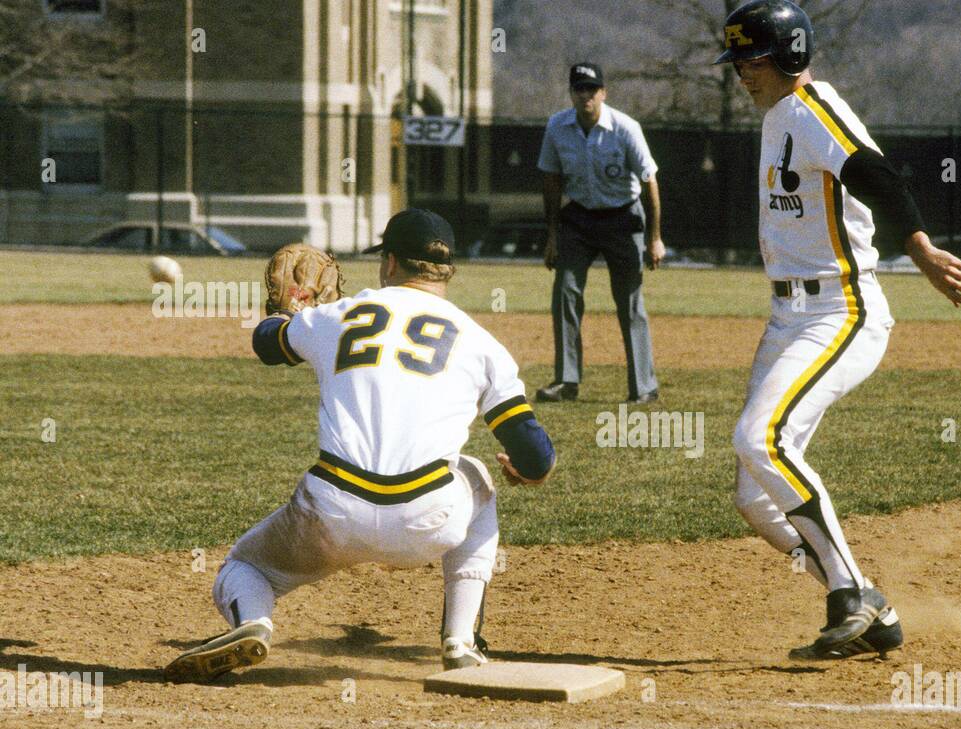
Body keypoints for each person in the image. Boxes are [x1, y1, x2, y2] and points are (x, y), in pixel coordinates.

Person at [164, 210, 556, 682]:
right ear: (447, 272)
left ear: (390, 262)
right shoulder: (481, 342)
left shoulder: (339, 316)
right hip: (427, 521)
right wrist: (530, 472)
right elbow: (535, 454)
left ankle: (254, 622)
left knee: (244, 566)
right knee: (477, 476)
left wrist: (289, 311)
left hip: (329, 515)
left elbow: (266, 344)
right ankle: (459, 642)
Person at [714, 0, 961, 661]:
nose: (741, 74)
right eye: (738, 63)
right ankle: (872, 607)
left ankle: (847, 594)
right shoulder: (779, 116)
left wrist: (918, 248)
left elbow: (875, 173)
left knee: (759, 436)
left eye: (750, 60)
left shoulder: (811, 109)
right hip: (789, 317)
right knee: (755, 492)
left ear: (787, 57)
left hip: (841, 310)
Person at [536, 62, 664, 404]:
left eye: (592, 89)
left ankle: (643, 387)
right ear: (571, 93)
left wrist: (654, 238)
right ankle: (567, 381)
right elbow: (550, 181)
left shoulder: (625, 128)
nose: (585, 95)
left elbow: (650, 182)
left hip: (623, 217)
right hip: (577, 218)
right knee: (565, 291)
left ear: (603, 93)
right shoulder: (557, 127)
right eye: (579, 88)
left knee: (630, 300)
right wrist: (551, 236)